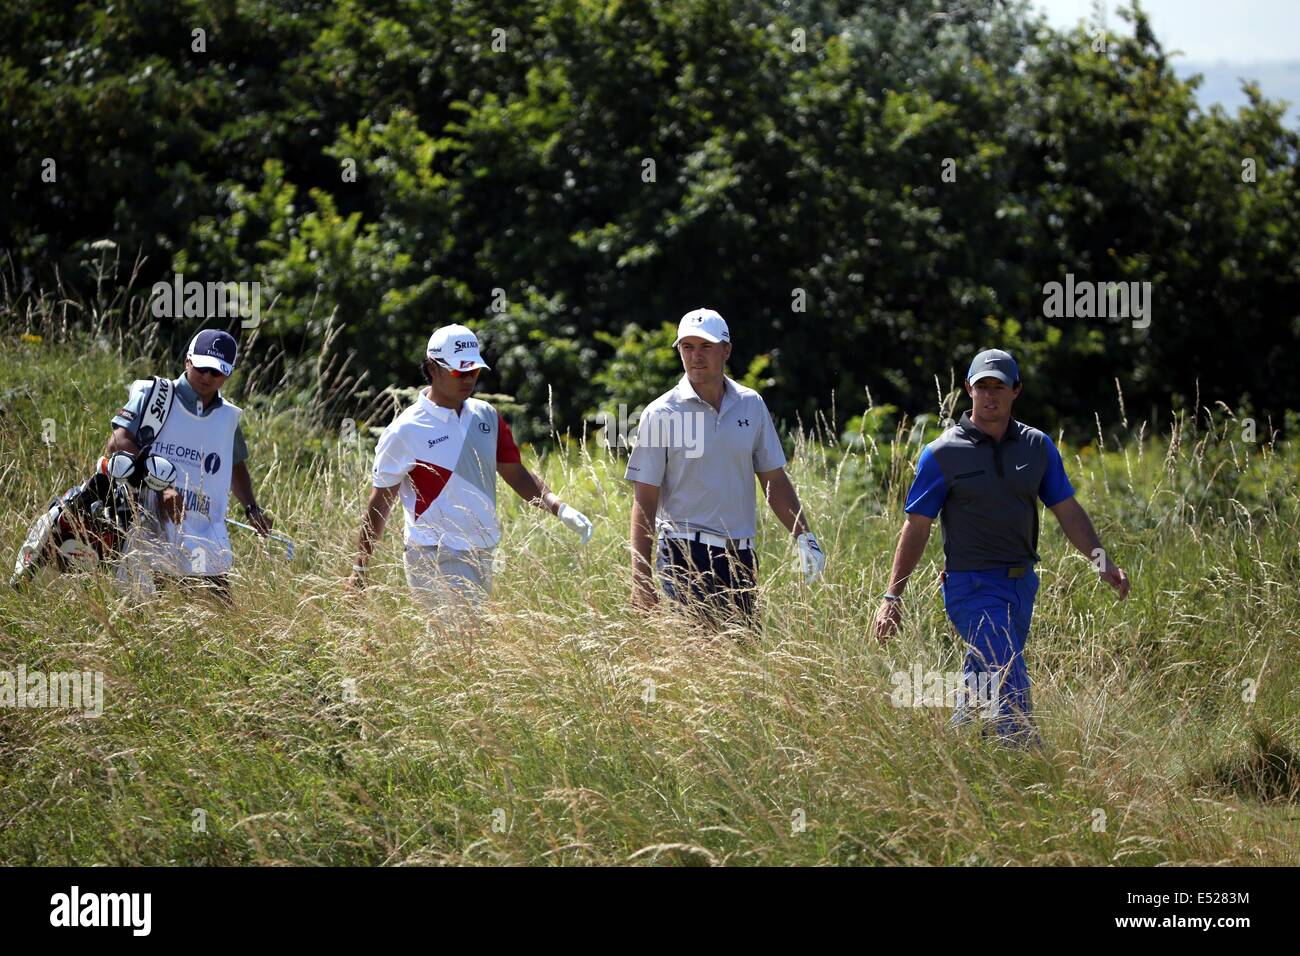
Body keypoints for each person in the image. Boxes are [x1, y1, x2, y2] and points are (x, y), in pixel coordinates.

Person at [874, 348, 1130, 744]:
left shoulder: (1037, 446)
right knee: (1008, 667)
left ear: (1016, 391)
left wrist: (1102, 561)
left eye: (999, 387)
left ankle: (962, 746)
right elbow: (917, 526)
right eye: (982, 387)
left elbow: (1067, 509)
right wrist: (893, 597)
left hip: (1021, 584)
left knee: (985, 672)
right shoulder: (942, 453)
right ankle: (1024, 755)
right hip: (969, 585)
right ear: (968, 390)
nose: (989, 395)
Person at [348, 324, 594, 611]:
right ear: (433, 368)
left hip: (482, 549)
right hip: (433, 552)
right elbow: (380, 503)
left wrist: (559, 507)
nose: (468, 379)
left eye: (474, 372)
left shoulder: (486, 415)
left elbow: (515, 472)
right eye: (459, 372)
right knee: (460, 642)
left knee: (465, 648)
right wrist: (361, 568)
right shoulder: (405, 430)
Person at [625, 308, 825, 628]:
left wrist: (805, 536)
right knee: (701, 661)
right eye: (687, 347)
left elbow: (773, 478)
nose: (695, 356)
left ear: (726, 350)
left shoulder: (751, 404)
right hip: (683, 552)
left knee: (742, 661)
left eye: (705, 347)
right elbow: (644, 498)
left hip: (739, 557)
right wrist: (640, 577)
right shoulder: (661, 412)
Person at [106, 328, 272, 599]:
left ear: (227, 374)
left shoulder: (227, 417)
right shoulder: (155, 395)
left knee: (221, 623)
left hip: (202, 533)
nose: (207, 376)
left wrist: (252, 508)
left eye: (216, 372)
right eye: (202, 367)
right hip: (149, 523)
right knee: (151, 614)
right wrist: (162, 487)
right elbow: (117, 441)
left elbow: (235, 464)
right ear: (188, 362)